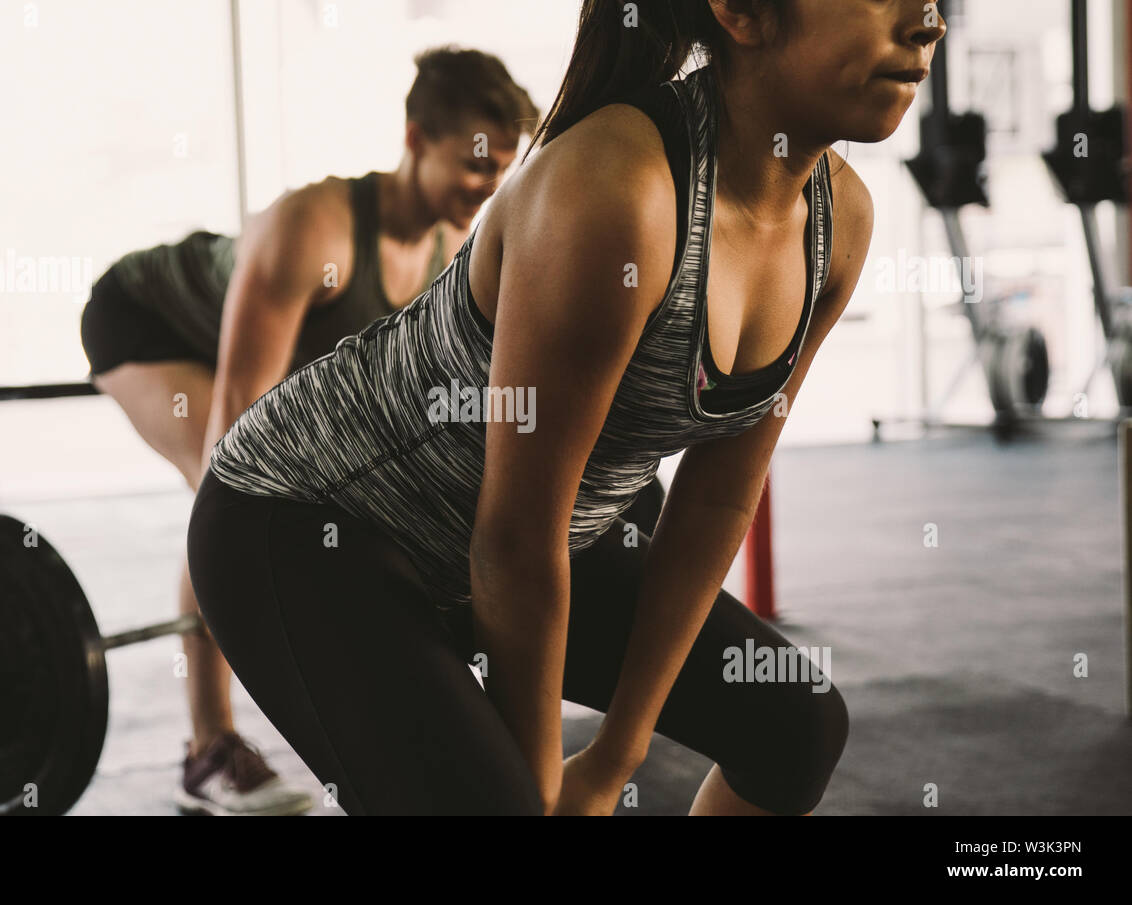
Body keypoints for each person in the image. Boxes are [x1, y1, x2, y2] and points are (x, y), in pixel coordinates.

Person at [188, 0, 943, 815]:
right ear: (742, 13)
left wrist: (619, 751)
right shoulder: (617, 187)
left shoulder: (840, 221)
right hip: (310, 523)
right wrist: (538, 785)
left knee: (794, 725)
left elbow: (719, 495)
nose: (927, 20)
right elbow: (514, 536)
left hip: (540, 541)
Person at [79, 46, 540, 815]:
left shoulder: (447, 251)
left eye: (501, 169)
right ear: (416, 138)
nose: (488, 185)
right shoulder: (314, 229)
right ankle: (206, 749)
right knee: (218, 490)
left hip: (236, 334)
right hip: (146, 323)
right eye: (474, 164)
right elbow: (238, 448)